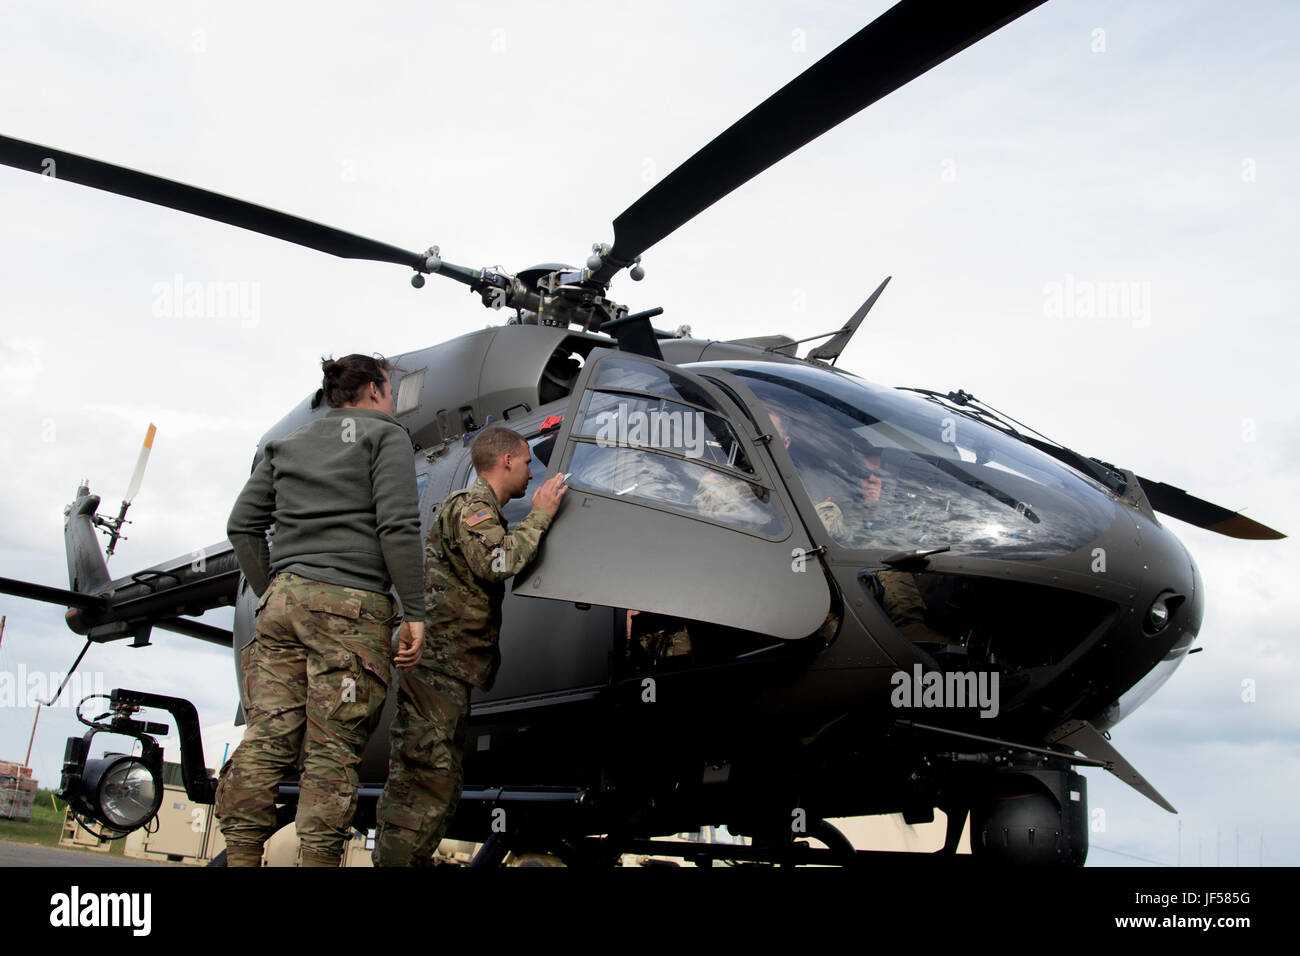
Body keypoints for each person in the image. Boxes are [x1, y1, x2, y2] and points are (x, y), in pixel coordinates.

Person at [217, 353, 426, 868]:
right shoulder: (385, 435)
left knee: (266, 738)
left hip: (283, 607)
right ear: (375, 390)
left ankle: (240, 855)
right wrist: (415, 610)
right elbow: (396, 527)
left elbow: (242, 525)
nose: (392, 400)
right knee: (332, 749)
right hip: (348, 611)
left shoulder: (284, 444)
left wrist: (275, 589)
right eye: (390, 390)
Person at [373, 425, 567, 866]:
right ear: (506, 462)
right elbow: (499, 561)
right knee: (424, 784)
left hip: (450, 672)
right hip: (437, 671)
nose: (532, 474)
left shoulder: (481, 510)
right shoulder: (471, 507)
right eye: (527, 462)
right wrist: (541, 514)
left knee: (437, 785)